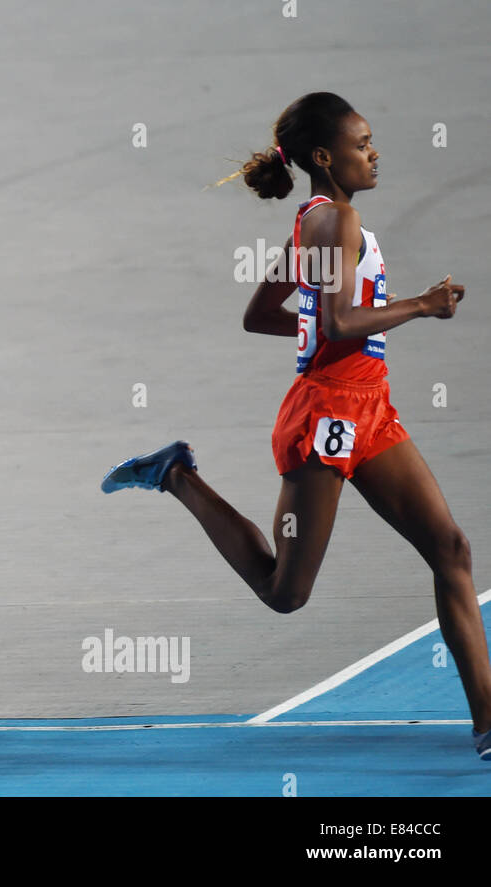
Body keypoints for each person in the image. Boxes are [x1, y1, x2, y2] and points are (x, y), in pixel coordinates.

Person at [101, 93, 491, 760]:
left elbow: (264, 312)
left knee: (450, 548)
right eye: (361, 143)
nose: (373, 153)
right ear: (323, 158)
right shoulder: (335, 219)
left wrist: (324, 322)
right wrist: (419, 305)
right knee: (286, 592)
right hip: (328, 418)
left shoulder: (316, 220)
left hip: (369, 407)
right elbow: (338, 322)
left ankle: (487, 723)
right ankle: (175, 474)